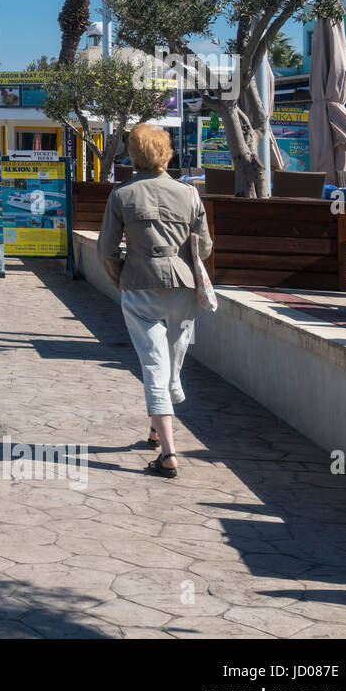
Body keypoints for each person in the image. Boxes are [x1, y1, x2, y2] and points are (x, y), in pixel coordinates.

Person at [97, 124, 212, 478]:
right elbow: (204, 247)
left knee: (153, 368)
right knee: (170, 368)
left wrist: (122, 280)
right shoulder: (190, 194)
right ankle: (154, 430)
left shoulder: (121, 194)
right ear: (166, 153)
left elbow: (105, 249)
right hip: (183, 288)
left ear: (133, 154)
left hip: (139, 286)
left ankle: (168, 454)